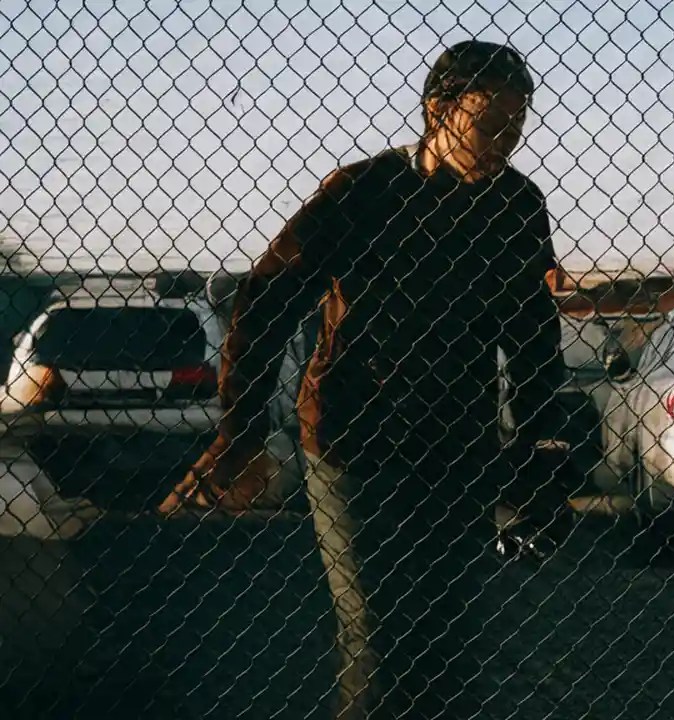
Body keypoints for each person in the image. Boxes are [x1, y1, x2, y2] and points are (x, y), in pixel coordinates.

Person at [161, 40, 566, 718]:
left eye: (516, 128)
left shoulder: (516, 205)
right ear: (439, 111)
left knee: (445, 641)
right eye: (488, 124)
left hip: (455, 448)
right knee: (376, 634)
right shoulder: (365, 191)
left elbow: (533, 346)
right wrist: (241, 430)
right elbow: (265, 302)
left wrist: (540, 460)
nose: (504, 143)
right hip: (353, 438)